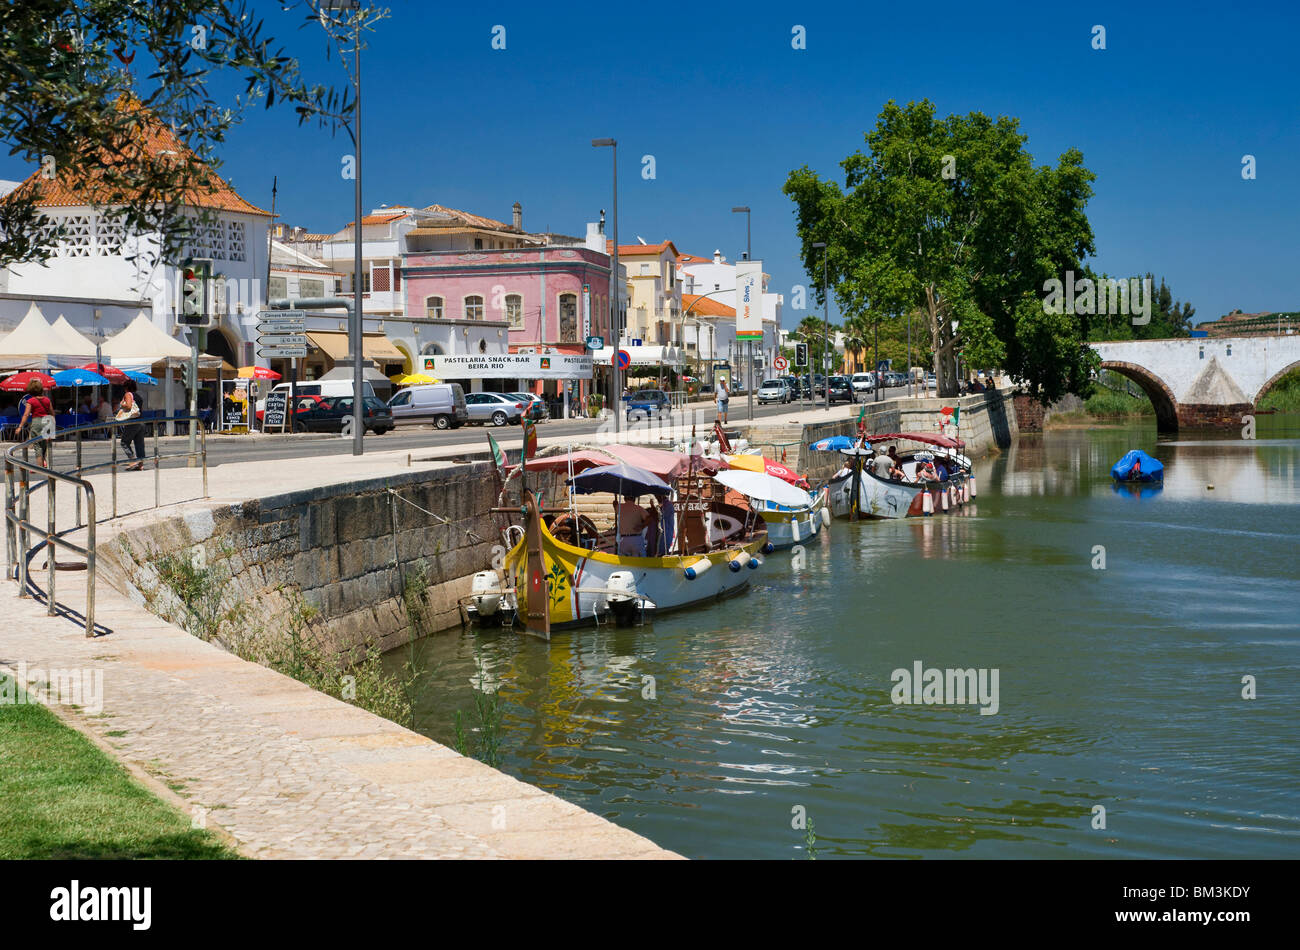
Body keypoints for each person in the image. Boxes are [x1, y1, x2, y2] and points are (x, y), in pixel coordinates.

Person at [18, 378, 55, 468]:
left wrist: (20, 426)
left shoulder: (30, 401)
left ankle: (40, 466)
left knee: (37, 445)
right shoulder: (47, 400)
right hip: (47, 421)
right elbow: (52, 413)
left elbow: (26, 414)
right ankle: (46, 463)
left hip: (37, 421)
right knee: (45, 444)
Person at [116, 379, 146, 471]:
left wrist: (122, 404)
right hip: (141, 422)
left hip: (133, 422)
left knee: (124, 442)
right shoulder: (138, 396)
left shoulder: (128, 394)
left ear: (126, 387)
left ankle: (132, 460)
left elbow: (128, 406)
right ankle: (140, 464)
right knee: (139, 444)